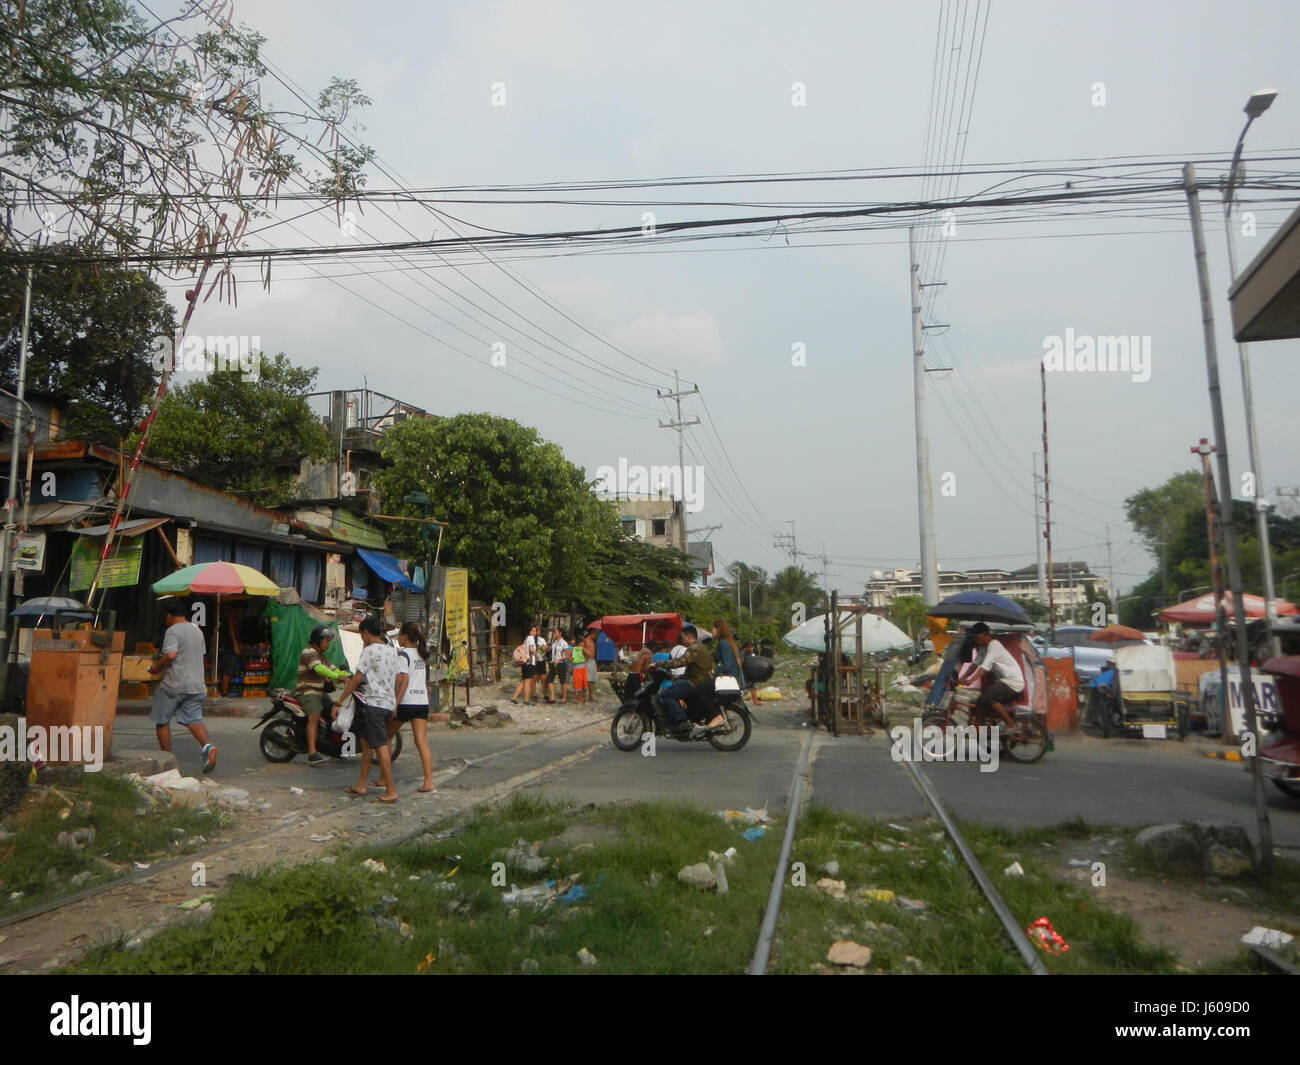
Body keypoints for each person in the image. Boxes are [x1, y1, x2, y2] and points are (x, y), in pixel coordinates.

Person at [335, 616, 400, 802]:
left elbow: (356, 678)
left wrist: (339, 700)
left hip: (374, 704)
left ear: (365, 633)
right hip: (387, 703)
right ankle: (361, 783)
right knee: (365, 742)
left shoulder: (370, 651)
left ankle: (390, 791)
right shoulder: (392, 651)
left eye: (361, 634)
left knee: (380, 746)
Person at [148, 603, 218, 772]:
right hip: (197, 685)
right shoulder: (197, 630)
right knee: (194, 720)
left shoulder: (172, 631)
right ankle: (208, 747)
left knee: (161, 720)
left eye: (166, 618)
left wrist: (156, 668)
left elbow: (171, 655)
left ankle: (167, 759)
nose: (166, 621)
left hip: (175, 684)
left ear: (170, 616)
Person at [383, 622, 435, 793]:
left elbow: (401, 681)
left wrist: (395, 703)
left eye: (399, 635)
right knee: (421, 742)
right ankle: (428, 782)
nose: (398, 638)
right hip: (422, 702)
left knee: (385, 738)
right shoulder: (422, 654)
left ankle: (384, 779)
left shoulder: (402, 655)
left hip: (406, 702)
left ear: (405, 636)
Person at [296, 625, 351, 765]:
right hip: (307, 691)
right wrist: (337, 677)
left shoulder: (322, 656)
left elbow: (335, 670)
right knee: (314, 717)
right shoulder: (308, 653)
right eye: (326, 641)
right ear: (318, 640)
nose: (328, 644)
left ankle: (333, 749)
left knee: (333, 713)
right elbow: (319, 669)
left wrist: (351, 675)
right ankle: (312, 752)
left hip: (319, 692)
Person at [960, 622, 1024, 733]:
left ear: (985, 634)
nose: (975, 639)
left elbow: (984, 668)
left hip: (1012, 682)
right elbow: (975, 665)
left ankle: (1011, 725)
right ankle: (980, 727)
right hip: (1004, 681)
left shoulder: (994, 645)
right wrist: (962, 678)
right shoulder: (982, 648)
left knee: (989, 697)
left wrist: (970, 680)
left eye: (976, 636)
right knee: (977, 702)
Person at [659, 625, 724, 734]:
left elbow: (680, 662)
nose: (681, 640)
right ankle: (688, 718)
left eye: (682, 637)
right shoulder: (700, 646)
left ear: (688, 636)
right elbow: (694, 669)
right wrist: (678, 676)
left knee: (666, 694)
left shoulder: (694, 648)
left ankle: (681, 721)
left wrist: (658, 664)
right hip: (699, 681)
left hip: (695, 683)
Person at [510, 624, 544, 705]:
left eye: (535, 631)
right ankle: (526, 700)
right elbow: (531, 649)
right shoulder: (531, 638)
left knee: (524, 682)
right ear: (530, 631)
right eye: (532, 630)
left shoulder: (526, 639)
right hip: (530, 662)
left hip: (525, 662)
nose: (534, 632)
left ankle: (514, 698)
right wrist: (536, 656)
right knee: (527, 682)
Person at [546, 627, 570, 703]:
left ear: (560, 633)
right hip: (553, 663)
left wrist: (559, 659)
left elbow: (567, 656)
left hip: (561, 664)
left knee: (562, 681)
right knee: (549, 679)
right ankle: (552, 697)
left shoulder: (564, 643)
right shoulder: (554, 642)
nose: (554, 633)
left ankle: (564, 698)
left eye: (556, 632)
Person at [570, 630, 590, 705]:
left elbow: (570, 656)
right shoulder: (582, 649)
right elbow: (589, 655)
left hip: (576, 668)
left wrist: (571, 664)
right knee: (582, 685)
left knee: (578, 684)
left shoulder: (573, 649)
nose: (584, 643)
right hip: (582, 668)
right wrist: (585, 660)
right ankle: (582, 699)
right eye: (583, 642)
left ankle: (580, 699)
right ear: (580, 643)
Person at [581, 627, 598, 698]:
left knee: (592, 679)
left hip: (592, 661)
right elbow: (581, 647)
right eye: (595, 634)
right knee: (587, 678)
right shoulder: (586, 640)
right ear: (592, 634)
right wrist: (587, 654)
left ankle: (591, 695)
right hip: (588, 661)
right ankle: (584, 695)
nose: (596, 635)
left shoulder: (592, 641)